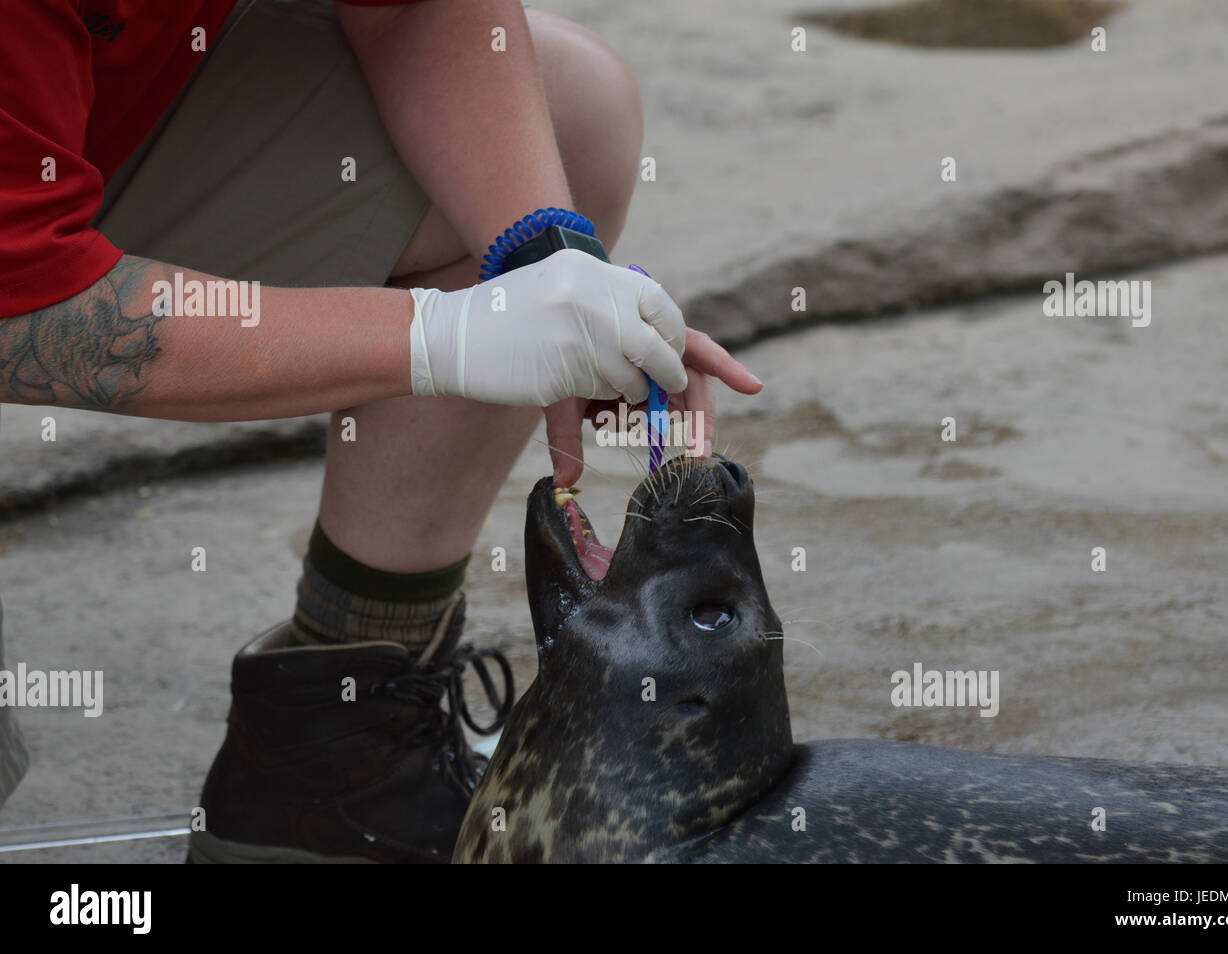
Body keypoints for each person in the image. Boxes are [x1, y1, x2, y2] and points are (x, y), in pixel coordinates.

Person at [0, 0, 762, 862]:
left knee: (566, 113)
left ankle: (332, 749)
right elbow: (21, 315)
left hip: (80, 121)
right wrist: (447, 337)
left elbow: (412, 12)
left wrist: (541, 259)